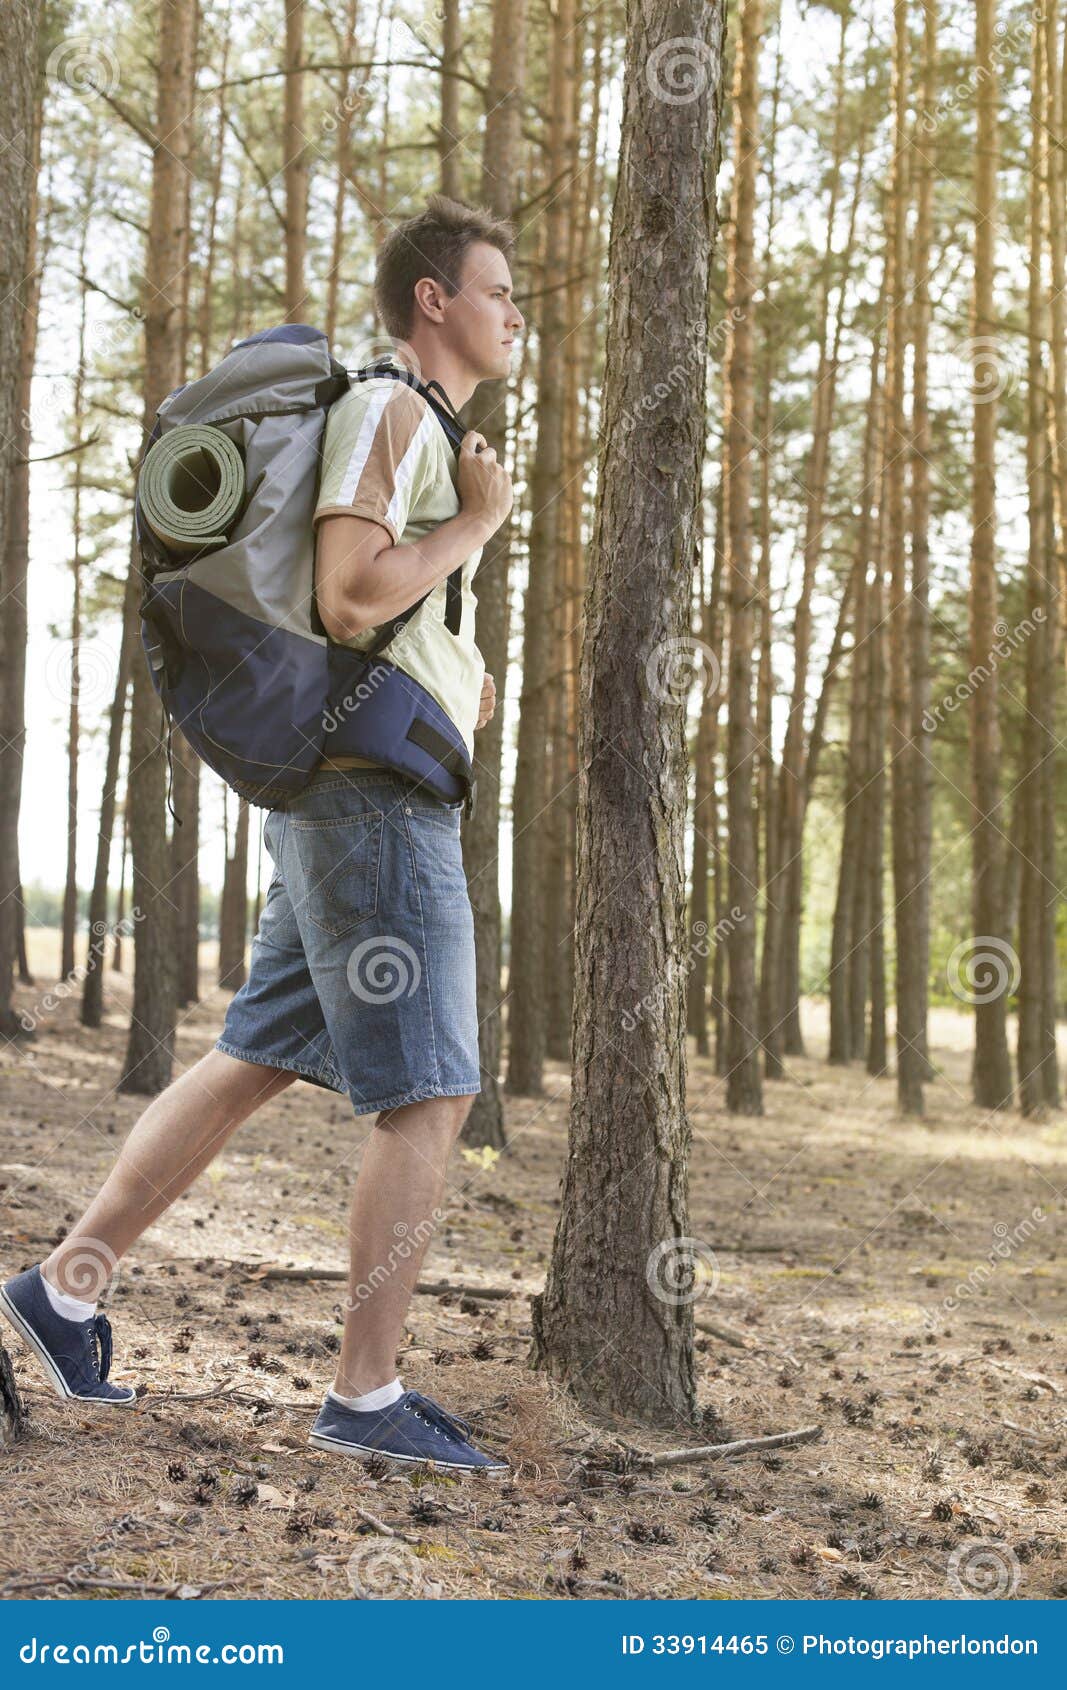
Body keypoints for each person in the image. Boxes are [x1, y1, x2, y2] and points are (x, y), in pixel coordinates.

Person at [1, 195, 523, 1475]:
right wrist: (474, 525)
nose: (516, 315)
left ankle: (63, 1294)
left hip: (346, 790)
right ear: (431, 302)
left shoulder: (416, 425)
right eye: (498, 291)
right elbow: (349, 597)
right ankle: (362, 1395)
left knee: (253, 1056)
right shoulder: (395, 411)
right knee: (431, 1088)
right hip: (370, 806)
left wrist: (457, 666)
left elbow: (372, 608)